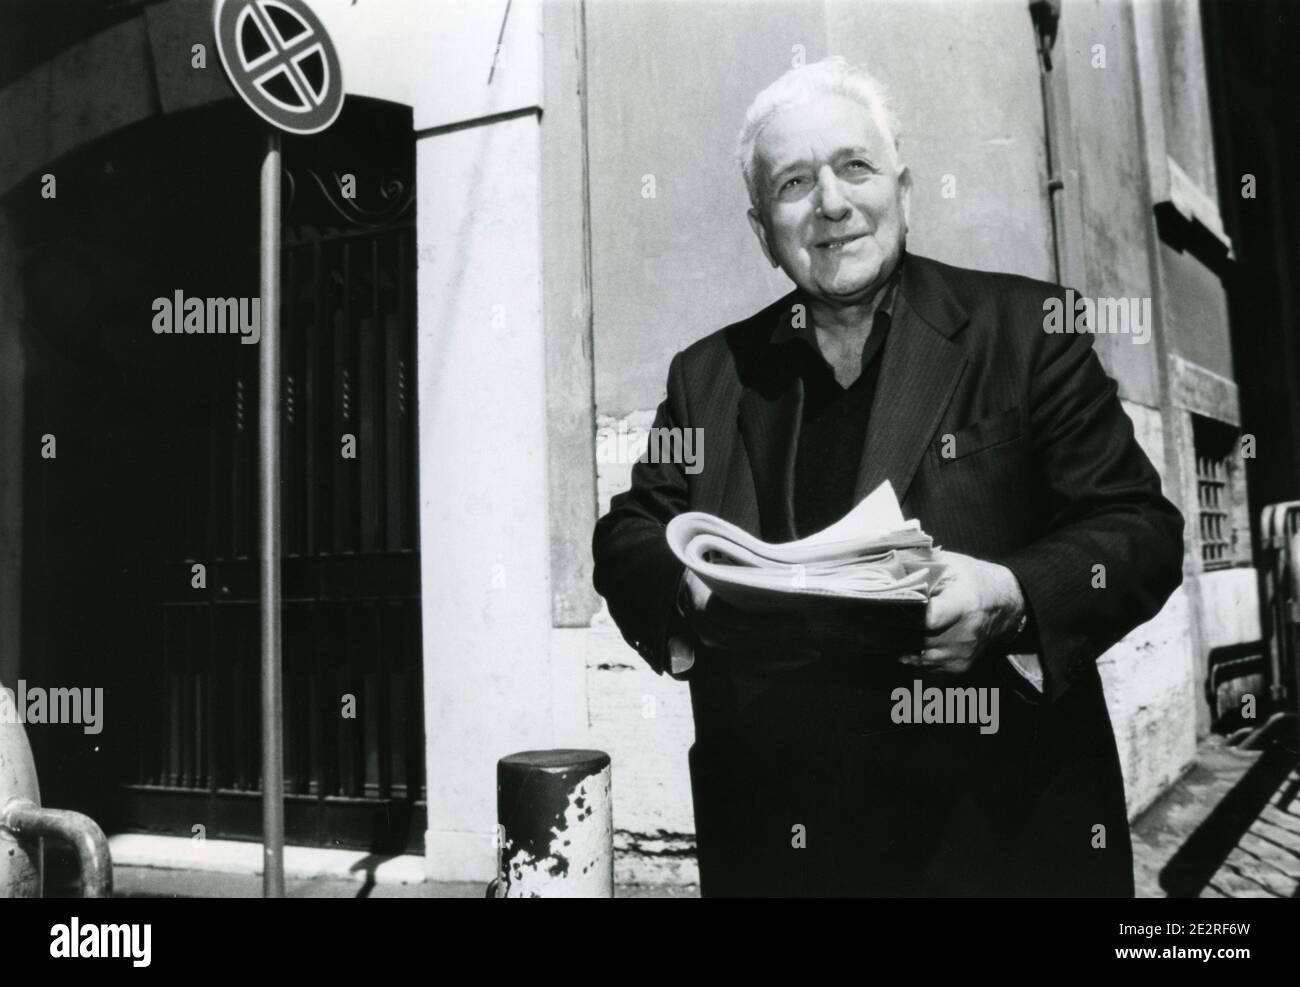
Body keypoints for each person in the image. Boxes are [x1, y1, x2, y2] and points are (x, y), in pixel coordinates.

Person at [591, 57, 1184, 897]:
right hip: (778, 851)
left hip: (997, 846)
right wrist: (692, 596)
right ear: (763, 227)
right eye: (794, 182)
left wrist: (1008, 592)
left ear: (903, 190)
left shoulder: (1028, 330)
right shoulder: (708, 375)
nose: (830, 202)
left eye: (854, 167)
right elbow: (629, 534)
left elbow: (1141, 529)